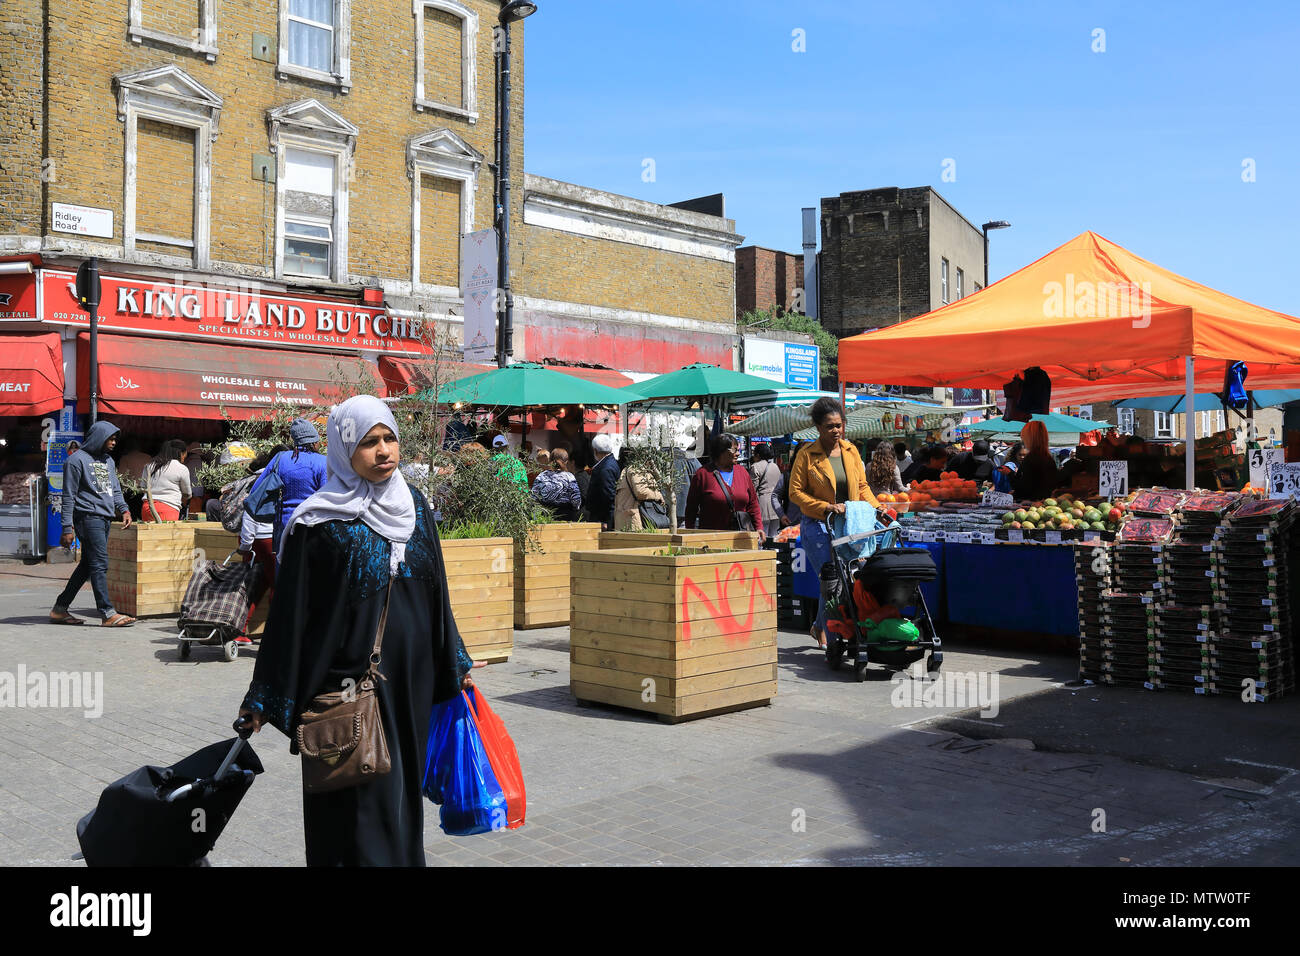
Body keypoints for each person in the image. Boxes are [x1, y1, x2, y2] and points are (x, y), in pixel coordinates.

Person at [236, 395, 475, 867]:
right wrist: (263, 698)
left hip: (412, 681)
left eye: (390, 439)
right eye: (369, 443)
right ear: (344, 451)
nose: (384, 451)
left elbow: (436, 592)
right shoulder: (317, 523)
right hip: (348, 685)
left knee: (400, 795)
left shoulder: (415, 508)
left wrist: (456, 662)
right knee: (360, 798)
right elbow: (291, 618)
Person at [789, 398, 878, 648]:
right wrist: (825, 507)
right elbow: (795, 493)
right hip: (817, 525)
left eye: (839, 425)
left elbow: (861, 487)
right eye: (830, 426)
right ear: (818, 427)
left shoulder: (851, 450)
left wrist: (878, 508)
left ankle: (820, 626)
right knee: (832, 578)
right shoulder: (807, 455)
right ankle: (833, 634)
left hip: (848, 526)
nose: (836, 430)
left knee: (840, 578)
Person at [50, 420, 136, 627]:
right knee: (100, 563)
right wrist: (66, 528)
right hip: (88, 518)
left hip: (105, 518)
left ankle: (59, 609)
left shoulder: (108, 461)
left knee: (87, 565)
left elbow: (115, 488)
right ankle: (107, 613)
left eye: (115, 439)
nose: (114, 442)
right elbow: (68, 496)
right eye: (111, 438)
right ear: (99, 437)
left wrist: (124, 509)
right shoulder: (76, 461)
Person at [244, 418, 329, 558]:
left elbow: (256, 490)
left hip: (283, 528)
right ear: (313, 442)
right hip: (312, 529)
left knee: (284, 574)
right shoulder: (322, 462)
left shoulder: (280, 458)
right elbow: (326, 499)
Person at [237, 445, 289, 644]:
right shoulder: (271, 478)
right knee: (278, 586)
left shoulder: (257, 475)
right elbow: (252, 509)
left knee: (258, 585)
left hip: (255, 540)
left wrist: (247, 542)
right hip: (269, 539)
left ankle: (239, 629)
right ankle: (275, 635)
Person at [685, 435, 764, 541]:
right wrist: (691, 535)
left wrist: (759, 527)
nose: (738, 453)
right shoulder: (703, 475)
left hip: (741, 539)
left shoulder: (743, 473)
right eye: (734, 450)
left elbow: (753, 504)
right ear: (721, 451)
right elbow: (691, 509)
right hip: (712, 540)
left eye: (738, 449)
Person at [141, 439, 192, 522]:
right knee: (166, 534)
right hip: (169, 508)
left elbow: (143, 488)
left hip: (147, 508)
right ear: (181, 453)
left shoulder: (149, 466)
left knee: (149, 534)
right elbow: (188, 494)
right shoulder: (181, 468)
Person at [613, 454, 665, 531]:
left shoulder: (630, 469)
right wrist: (658, 495)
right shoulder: (636, 469)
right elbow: (641, 492)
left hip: (628, 519)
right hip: (634, 521)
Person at [1013, 420, 1059, 501]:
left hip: (1030, 505)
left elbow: (1024, 487)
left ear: (1030, 438)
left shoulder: (1032, 458)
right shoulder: (1047, 458)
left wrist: (1010, 474)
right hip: (1044, 504)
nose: (1022, 439)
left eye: (1024, 436)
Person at [532, 448, 583, 520]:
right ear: (566, 462)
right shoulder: (569, 477)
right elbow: (576, 500)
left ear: (550, 461)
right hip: (566, 518)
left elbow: (533, 498)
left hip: (545, 518)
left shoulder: (541, 476)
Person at [586, 433, 621, 529]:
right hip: (604, 518)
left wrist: (605, 521)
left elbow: (608, 496)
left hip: (602, 519)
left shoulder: (605, 468)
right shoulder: (611, 463)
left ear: (595, 450)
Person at [749, 443, 783, 539]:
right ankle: (774, 553)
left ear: (758, 455)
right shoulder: (775, 466)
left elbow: (752, 488)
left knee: (762, 535)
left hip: (762, 504)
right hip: (776, 505)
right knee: (774, 536)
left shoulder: (755, 467)